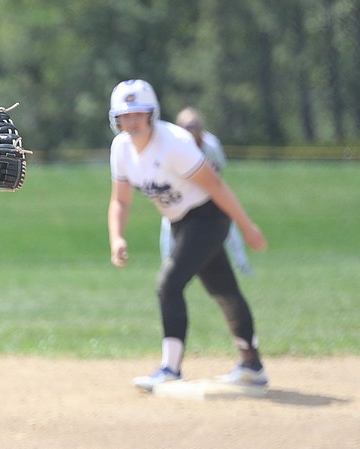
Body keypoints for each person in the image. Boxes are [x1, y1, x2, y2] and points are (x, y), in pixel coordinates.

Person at [105, 79, 268, 392]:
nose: (132, 121)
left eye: (138, 114)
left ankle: (171, 367)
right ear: (116, 120)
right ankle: (252, 366)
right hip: (181, 222)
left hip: (208, 216)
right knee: (223, 289)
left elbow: (216, 186)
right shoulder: (121, 148)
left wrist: (247, 227)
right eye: (125, 116)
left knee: (169, 285)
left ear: (152, 114)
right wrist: (117, 238)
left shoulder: (174, 142)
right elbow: (120, 200)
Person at [159, 107, 251, 276]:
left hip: (208, 193)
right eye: (187, 126)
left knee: (229, 227)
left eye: (194, 125)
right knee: (168, 226)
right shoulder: (174, 146)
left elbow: (218, 169)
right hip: (181, 195)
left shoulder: (211, 145)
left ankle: (243, 265)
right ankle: (167, 267)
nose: (191, 129)